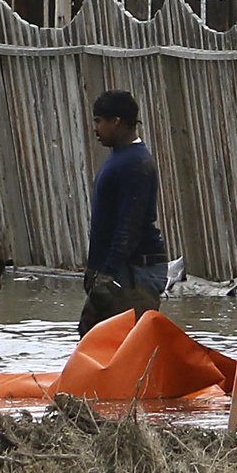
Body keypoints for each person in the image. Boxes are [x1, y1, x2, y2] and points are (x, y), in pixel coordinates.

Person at [80, 88, 169, 332]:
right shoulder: (122, 158)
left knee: (127, 345)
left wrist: (107, 276)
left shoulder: (135, 164)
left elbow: (129, 225)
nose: (95, 129)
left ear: (116, 121)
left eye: (99, 121)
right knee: (92, 337)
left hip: (134, 271)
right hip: (118, 270)